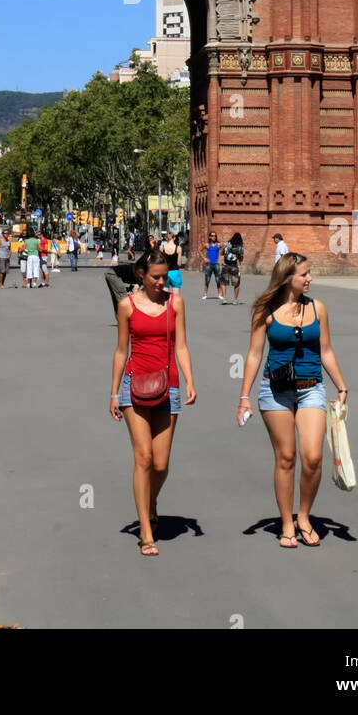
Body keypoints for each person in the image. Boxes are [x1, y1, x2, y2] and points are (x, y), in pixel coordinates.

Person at [237, 253, 348, 548]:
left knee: (312, 457)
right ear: (288, 278)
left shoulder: (318, 308)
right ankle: (287, 522)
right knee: (286, 458)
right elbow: (254, 355)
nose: (310, 278)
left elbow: (325, 350)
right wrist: (244, 397)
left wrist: (341, 385)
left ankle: (304, 516)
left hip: (311, 387)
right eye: (305, 274)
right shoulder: (266, 310)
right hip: (274, 390)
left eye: (309, 273)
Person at [110, 249, 196, 555]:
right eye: (155, 277)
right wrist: (113, 392)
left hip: (168, 385)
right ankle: (145, 528)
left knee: (160, 464)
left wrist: (190, 380)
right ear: (141, 276)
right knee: (143, 458)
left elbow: (181, 345)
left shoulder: (176, 303)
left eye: (165, 276)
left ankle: (151, 499)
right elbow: (121, 350)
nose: (162, 282)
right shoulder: (127, 306)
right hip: (133, 386)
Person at [202, 230, 225, 302]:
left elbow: (225, 250)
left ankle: (220, 294)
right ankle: (205, 294)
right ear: (209, 237)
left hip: (216, 264)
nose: (213, 237)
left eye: (215, 236)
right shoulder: (207, 245)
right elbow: (199, 250)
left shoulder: (219, 244)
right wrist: (204, 258)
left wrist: (221, 258)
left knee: (218, 280)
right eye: (212, 235)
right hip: (209, 265)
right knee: (207, 280)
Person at [222, 232, 243, 305]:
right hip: (234, 266)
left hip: (225, 265)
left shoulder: (226, 244)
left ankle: (224, 299)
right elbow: (241, 258)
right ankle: (235, 300)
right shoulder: (240, 247)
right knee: (236, 283)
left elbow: (222, 253)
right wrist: (239, 259)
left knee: (223, 282)